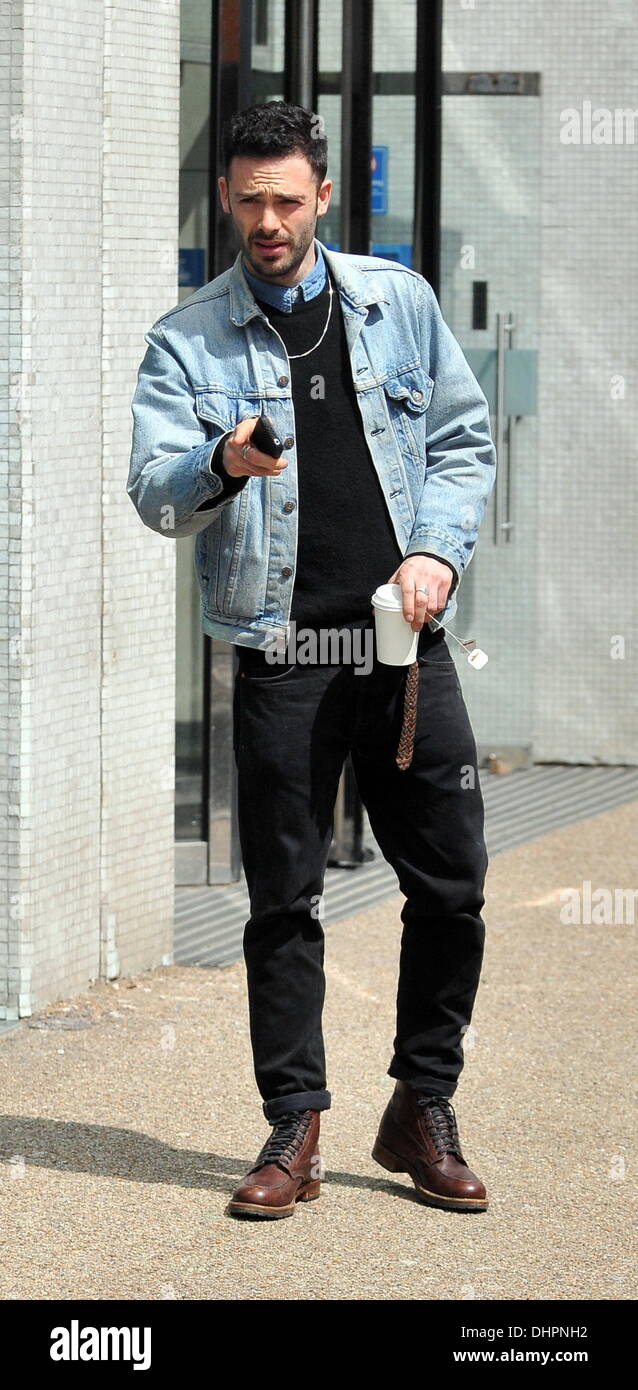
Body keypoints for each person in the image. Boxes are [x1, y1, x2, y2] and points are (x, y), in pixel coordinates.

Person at [127, 101, 497, 1220]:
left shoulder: (398, 303)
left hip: (403, 647)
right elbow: (153, 491)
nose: (268, 220)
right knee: (282, 901)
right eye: (248, 200)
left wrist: (434, 551)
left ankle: (420, 1105)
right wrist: (222, 460)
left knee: (452, 882)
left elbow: (458, 440)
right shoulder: (186, 337)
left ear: (323, 195)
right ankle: (295, 1125)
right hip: (283, 652)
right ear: (228, 199)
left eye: (287, 199)